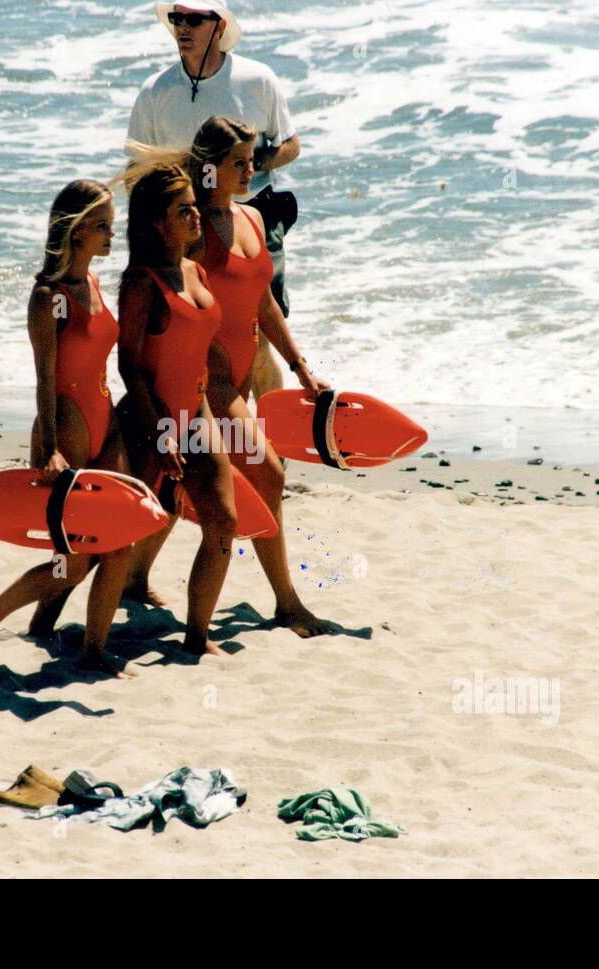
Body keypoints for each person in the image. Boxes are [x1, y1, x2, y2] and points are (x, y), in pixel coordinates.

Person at [125, 118, 339, 638]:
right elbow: (161, 299)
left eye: (251, 160)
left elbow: (263, 302)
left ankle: (132, 577)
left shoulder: (248, 217)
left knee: (180, 487)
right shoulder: (191, 233)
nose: (250, 170)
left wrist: (299, 367)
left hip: (243, 379)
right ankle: (286, 601)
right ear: (209, 169)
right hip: (209, 387)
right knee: (268, 473)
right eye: (238, 163)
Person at [0, 181, 137, 678]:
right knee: (75, 562)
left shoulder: (96, 284)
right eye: (101, 224)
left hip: (106, 420)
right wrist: (52, 447)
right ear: (77, 230)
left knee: (118, 538)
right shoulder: (48, 297)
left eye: (111, 222)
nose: (110, 231)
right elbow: (45, 377)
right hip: (70, 425)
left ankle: (94, 650)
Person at [128, 1, 300, 401]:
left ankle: (266, 435)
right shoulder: (155, 90)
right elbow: (139, 169)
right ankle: (204, 435)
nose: (181, 28)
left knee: (255, 335)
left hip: (252, 215)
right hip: (184, 223)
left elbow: (290, 144)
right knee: (190, 335)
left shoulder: (256, 78)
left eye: (193, 19)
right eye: (176, 19)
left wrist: (255, 162)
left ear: (219, 25)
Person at [114, 163, 238, 657]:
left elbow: (201, 347)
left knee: (223, 521)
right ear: (156, 223)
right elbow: (129, 368)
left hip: (198, 414)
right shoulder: (142, 284)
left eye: (193, 205)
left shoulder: (194, 270)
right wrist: (162, 431)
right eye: (182, 209)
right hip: (149, 421)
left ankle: (197, 636)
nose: (194, 215)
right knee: (116, 538)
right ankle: (48, 618)